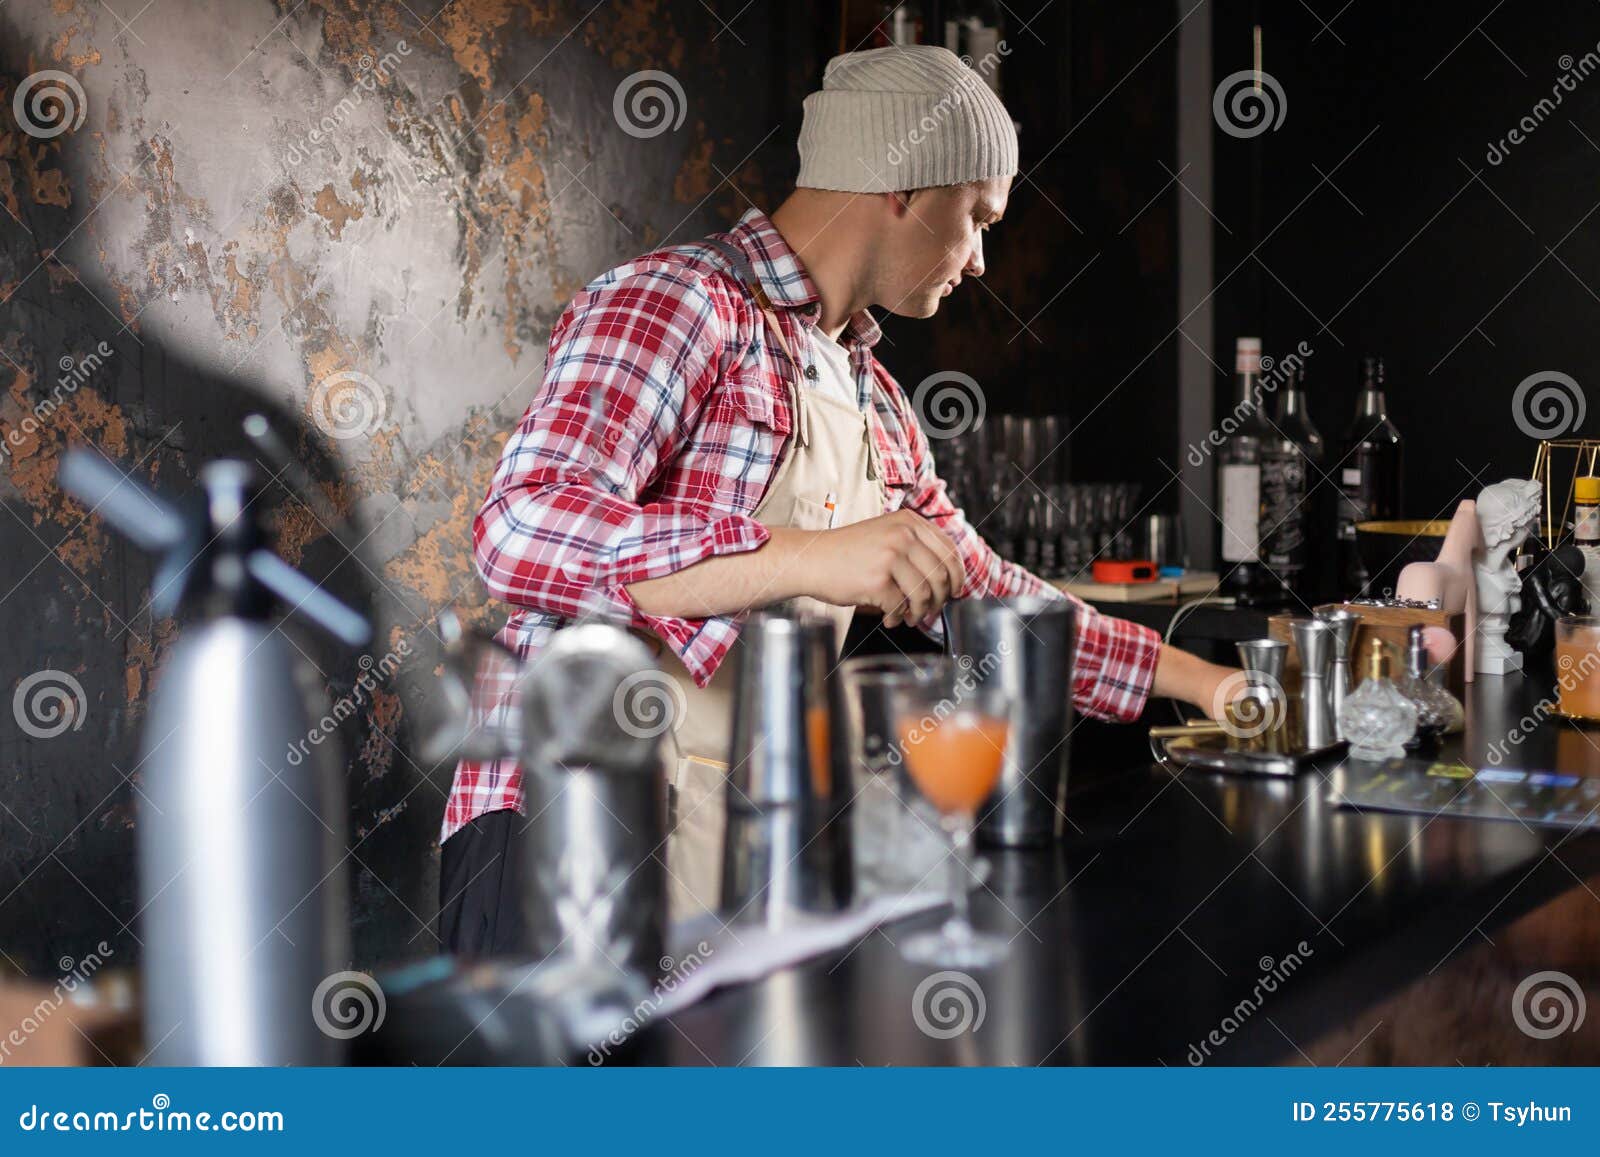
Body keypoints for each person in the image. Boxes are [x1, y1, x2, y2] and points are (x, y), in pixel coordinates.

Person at [437, 45, 1238, 953]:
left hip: (737, 836)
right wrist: (813, 557)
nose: (979, 261)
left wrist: (1212, 686)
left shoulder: (875, 399)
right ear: (902, 184)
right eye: (976, 216)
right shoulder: (682, 300)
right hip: (567, 818)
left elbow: (989, 595)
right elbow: (523, 525)